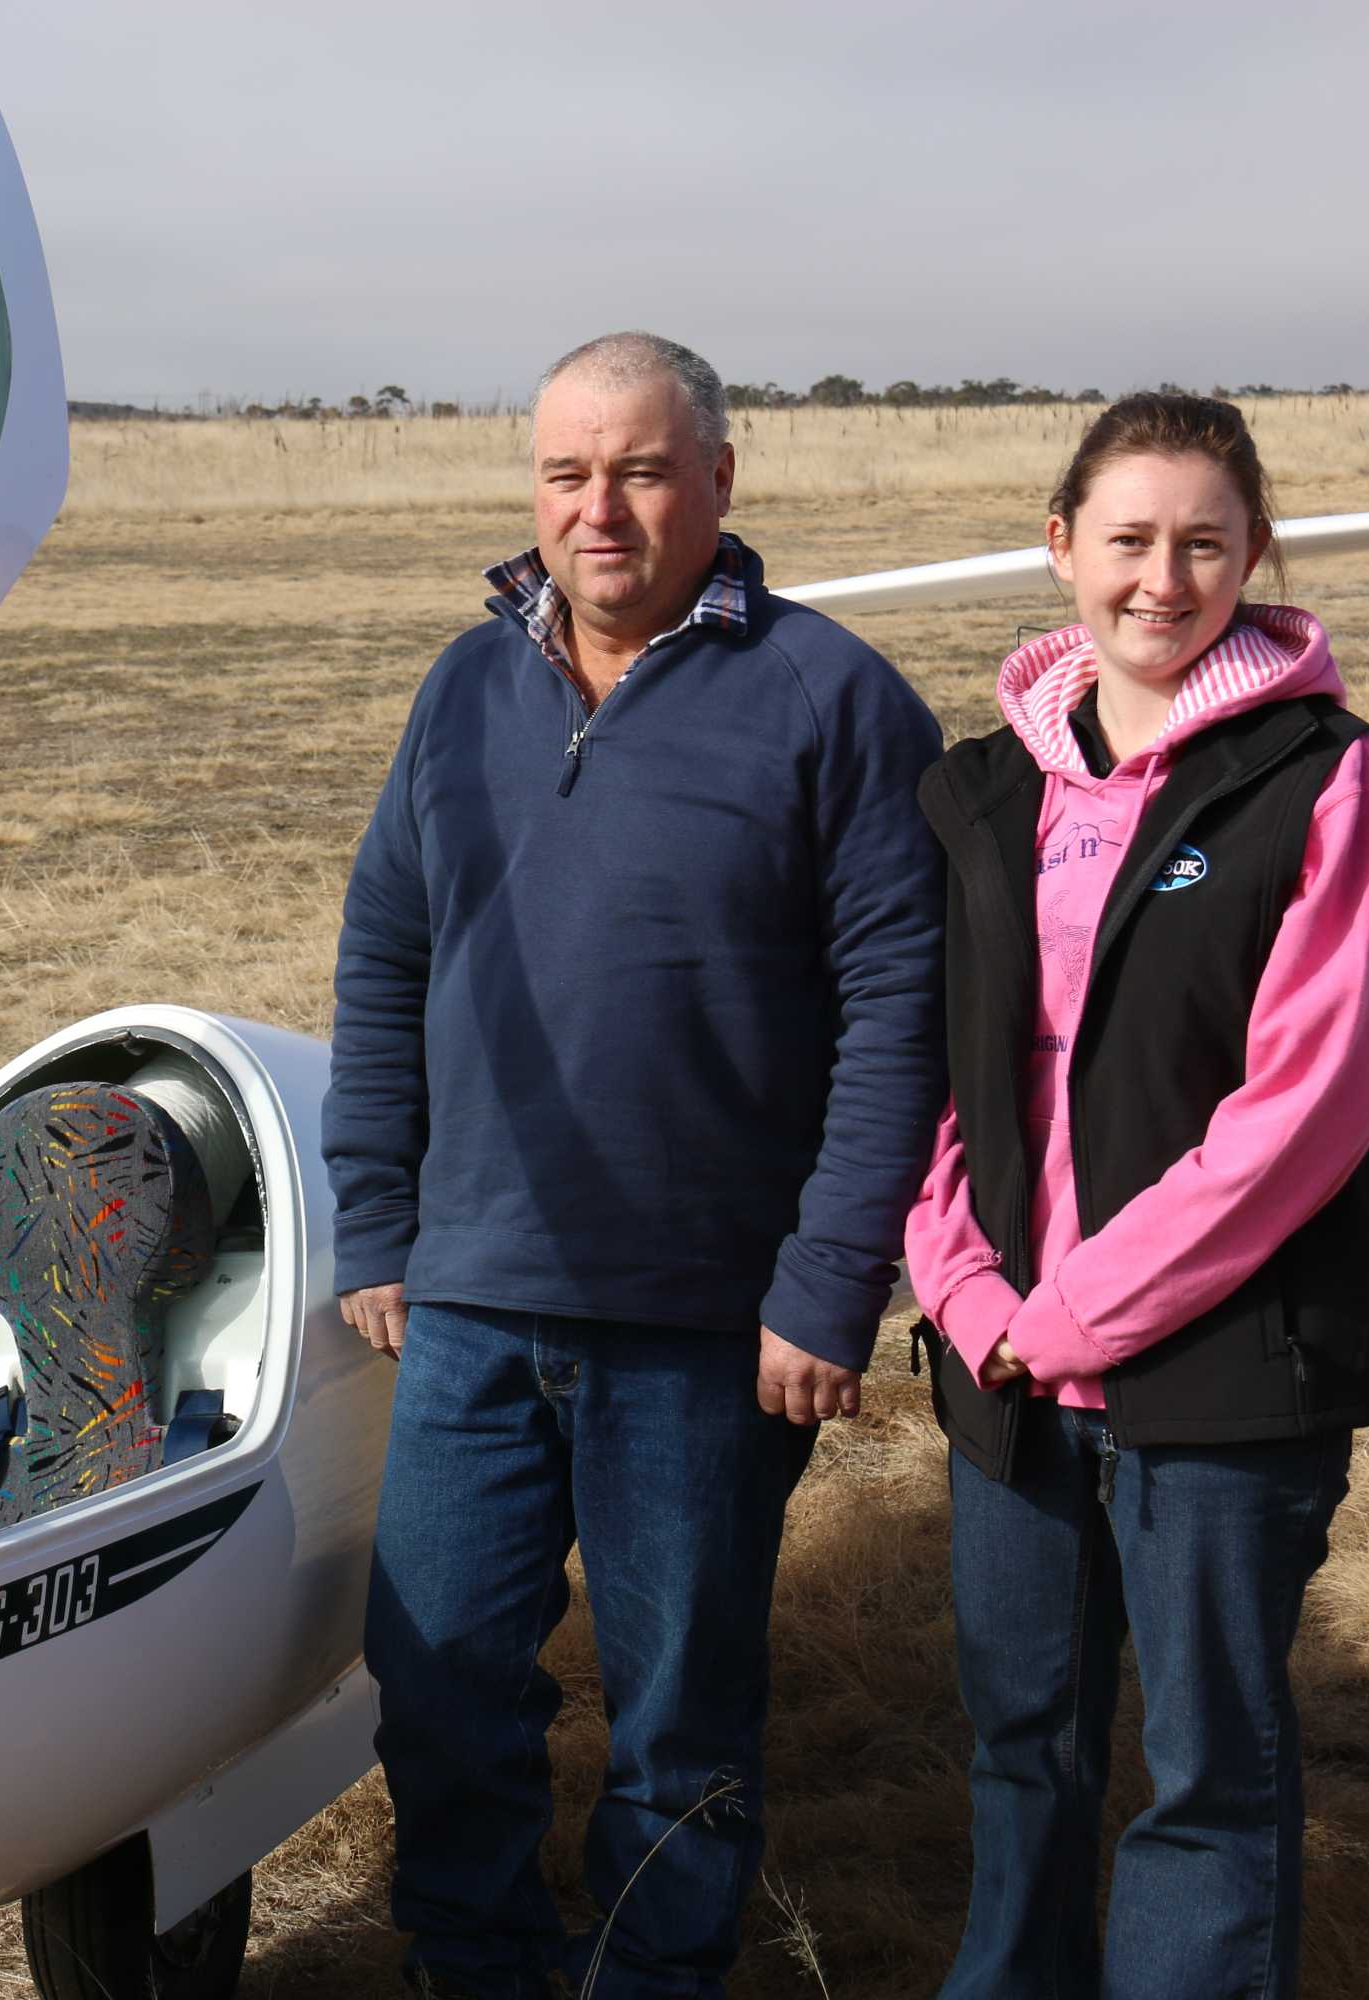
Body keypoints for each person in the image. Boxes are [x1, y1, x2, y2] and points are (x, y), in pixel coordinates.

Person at [326, 331, 944, 2000]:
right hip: (466, 1298)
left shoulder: (835, 701)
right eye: (565, 473)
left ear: (720, 483)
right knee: (442, 1677)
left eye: (642, 471)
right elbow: (388, 950)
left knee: (681, 1711)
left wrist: (829, 1281)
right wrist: (376, 1215)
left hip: (704, 1319)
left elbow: (904, 1008)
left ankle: (653, 1981)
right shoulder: (465, 686)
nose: (599, 511)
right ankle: (481, 1965)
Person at [904, 392, 1369, 2000]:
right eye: (1127, 538)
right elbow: (934, 1083)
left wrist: (1073, 1310)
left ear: (1255, 552)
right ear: (1059, 546)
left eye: (1204, 541)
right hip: (1003, 1368)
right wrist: (971, 1295)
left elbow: (1304, 1114)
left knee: (1208, 1774)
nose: (1163, 577)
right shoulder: (980, 791)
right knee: (1022, 1747)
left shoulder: (1335, 783)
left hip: (1223, 1370)